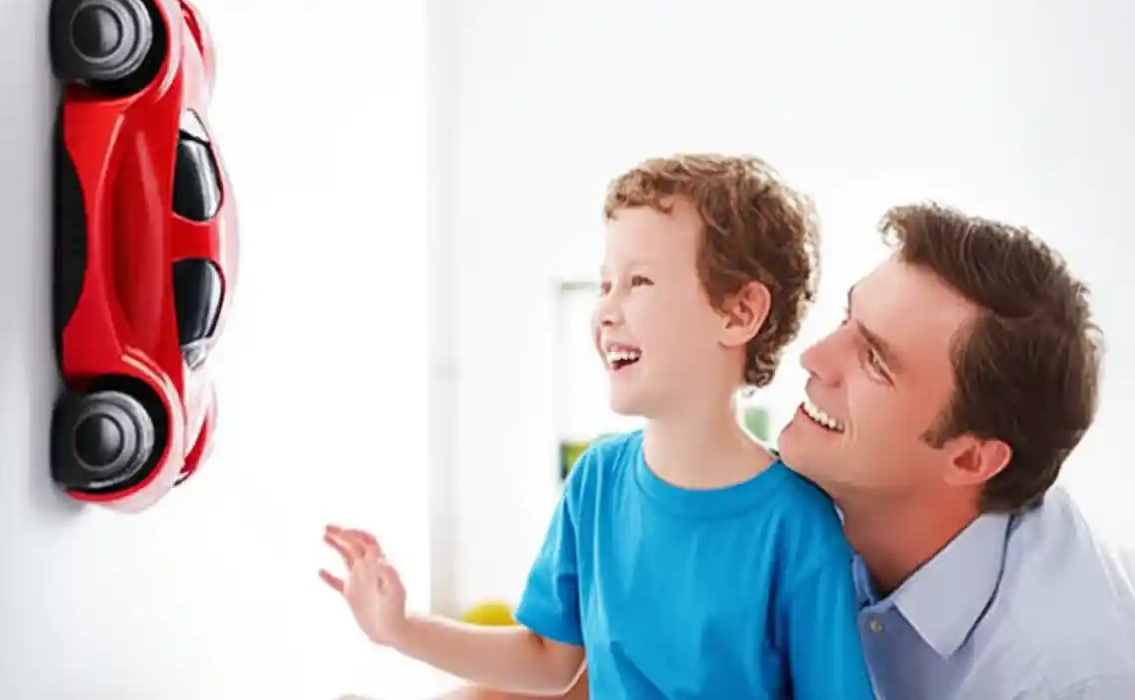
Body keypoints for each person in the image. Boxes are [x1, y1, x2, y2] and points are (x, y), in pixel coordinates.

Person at [449, 204, 1135, 699]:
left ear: (970, 458)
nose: (812, 357)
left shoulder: (1064, 674)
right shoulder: (823, 504)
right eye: (846, 318)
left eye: (875, 362)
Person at [320, 154, 875, 697]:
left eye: (639, 282)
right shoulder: (596, 482)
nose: (606, 310)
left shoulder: (800, 528)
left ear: (737, 313)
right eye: (605, 284)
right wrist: (400, 629)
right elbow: (548, 659)